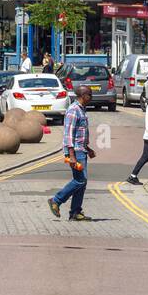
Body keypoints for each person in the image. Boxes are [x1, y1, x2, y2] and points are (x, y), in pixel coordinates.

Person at [48, 85, 95, 221]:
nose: (91, 97)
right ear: (83, 96)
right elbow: (69, 134)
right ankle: (56, 200)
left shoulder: (81, 109)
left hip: (81, 149)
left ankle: (75, 212)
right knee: (80, 180)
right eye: (90, 95)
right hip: (75, 152)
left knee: (82, 182)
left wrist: (88, 148)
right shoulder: (74, 110)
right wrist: (72, 155)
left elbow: (80, 133)